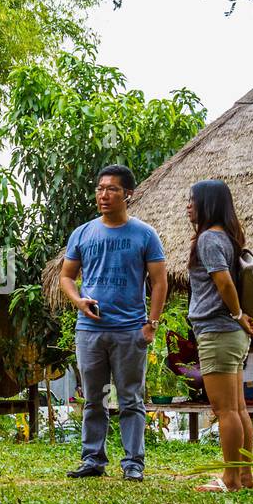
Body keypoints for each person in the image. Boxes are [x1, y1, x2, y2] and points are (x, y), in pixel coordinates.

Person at [59, 164, 168, 482]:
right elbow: (66, 276)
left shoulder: (145, 234)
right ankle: (93, 459)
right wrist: (78, 300)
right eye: (99, 188)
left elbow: (159, 282)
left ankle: (133, 461)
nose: (103, 195)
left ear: (128, 194)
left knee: (131, 398)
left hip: (130, 330)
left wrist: (152, 323)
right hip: (90, 331)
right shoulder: (83, 233)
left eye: (112, 189)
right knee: (94, 398)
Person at [185, 180, 253, 492]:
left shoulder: (208, 239)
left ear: (207, 204)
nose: (187, 206)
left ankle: (230, 479)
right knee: (238, 408)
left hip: (218, 331)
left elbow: (224, 283)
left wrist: (237, 314)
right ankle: (244, 476)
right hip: (230, 334)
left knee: (225, 410)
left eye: (192, 201)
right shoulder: (227, 238)